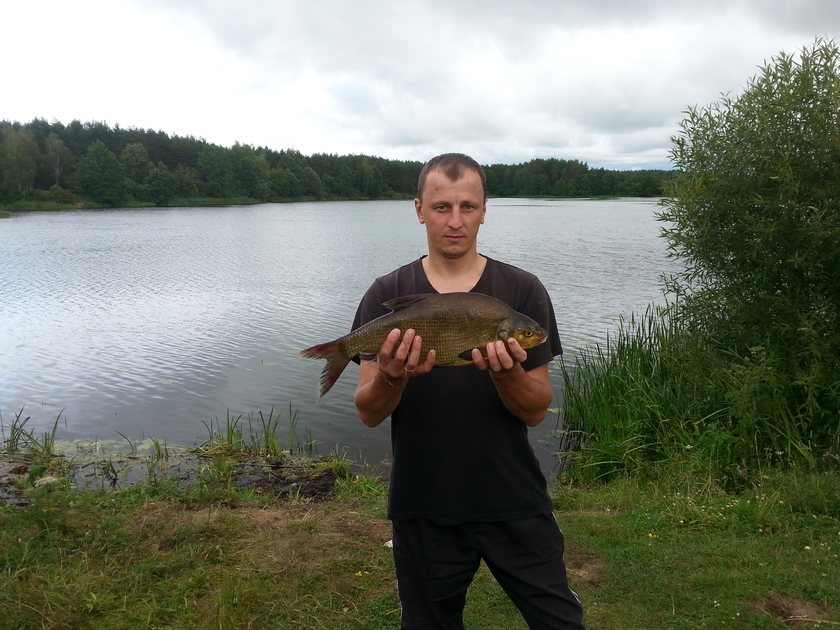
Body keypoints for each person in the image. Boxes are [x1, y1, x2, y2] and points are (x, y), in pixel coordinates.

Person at [352, 153, 585, 630]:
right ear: (419, 209)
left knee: (561, 623)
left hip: (513, 497)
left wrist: (505, 374)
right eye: (441, 207)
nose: (455, 221)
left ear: (484, 209)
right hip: (424, 503)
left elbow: (537, 411)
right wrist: (393, 375)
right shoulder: (386, 292)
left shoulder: (522, 292)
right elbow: (369, 413)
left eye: (467, 206)